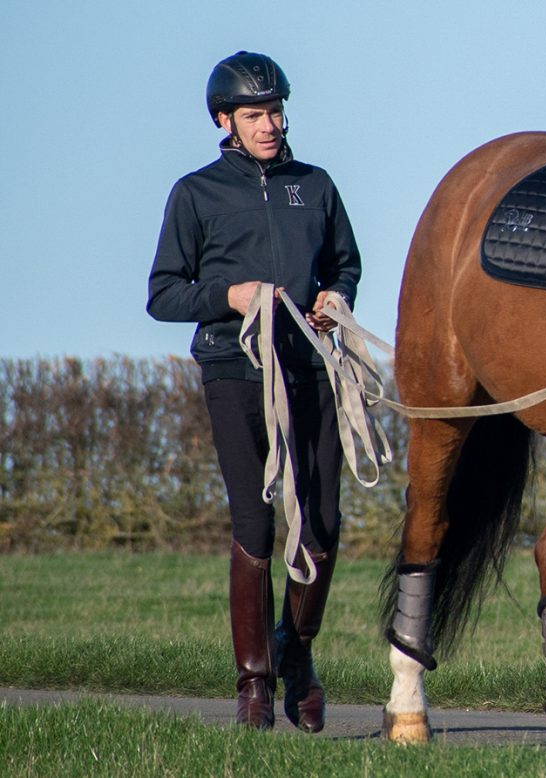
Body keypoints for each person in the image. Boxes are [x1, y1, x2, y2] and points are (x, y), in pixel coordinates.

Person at [147, 51, 361, 731]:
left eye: (274, 111)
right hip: (235, 372)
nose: (269, 124)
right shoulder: (196, 193)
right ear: (225, 120)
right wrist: (230, 295)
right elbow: (163, 293)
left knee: (321, 526)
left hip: (310, 370)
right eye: (253, 115)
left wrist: (336, 296)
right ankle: (254, 685)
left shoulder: (315, 185)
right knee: (257, 525)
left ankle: (295, 654)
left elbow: (345, 262)